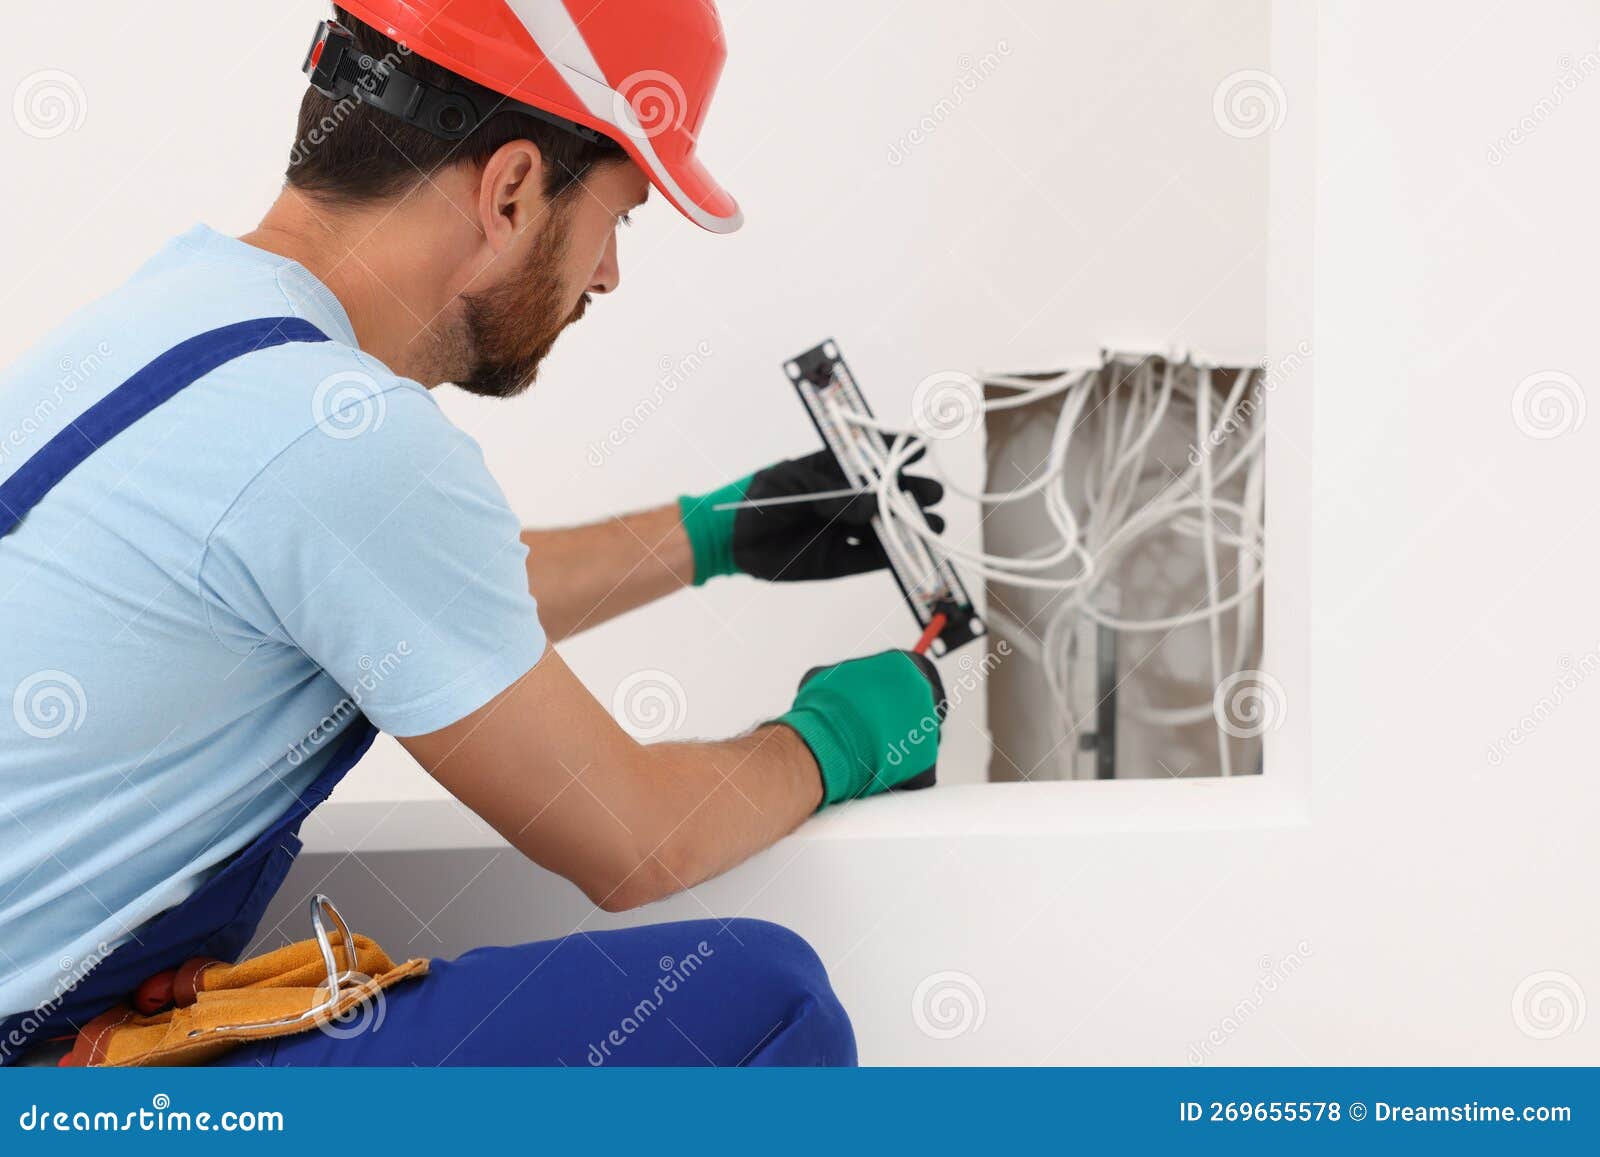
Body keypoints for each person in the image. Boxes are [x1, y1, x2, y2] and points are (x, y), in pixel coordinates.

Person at [0, 2, 950, 1067]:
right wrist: (842, 735)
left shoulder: (177, 322)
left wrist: (708, 535)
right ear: (510, 189)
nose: (606, 276)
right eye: (619, 218)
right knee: (760, 1004)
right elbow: (637, 839)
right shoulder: (336, 435)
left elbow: (396, 597)